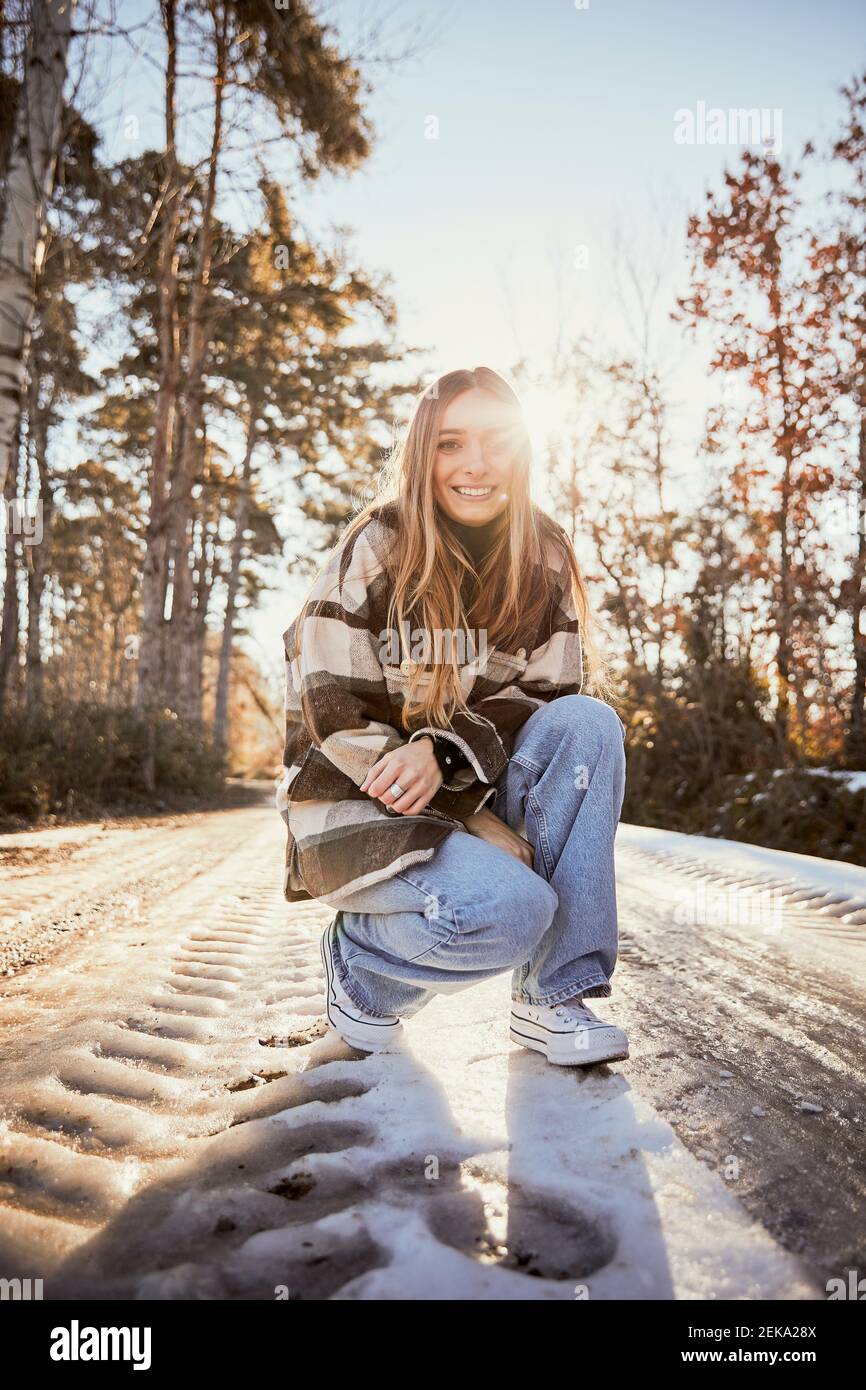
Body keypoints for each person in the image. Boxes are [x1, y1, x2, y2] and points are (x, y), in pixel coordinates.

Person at [278, 365, 628, 1066]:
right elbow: (329, 706)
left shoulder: (544, 552)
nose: (476, 465)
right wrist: (462, 809)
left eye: (496, 442)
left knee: (590, 723)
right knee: (508, 911)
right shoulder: (376, 546)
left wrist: (444, 758)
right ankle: (361, 970)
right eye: (450, 444)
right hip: (364, 804)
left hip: (466, 784)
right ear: (421, 454)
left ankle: (553, 996)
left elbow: (546, 700)